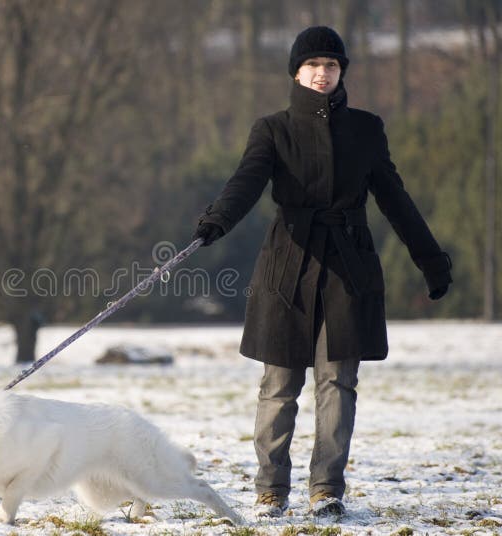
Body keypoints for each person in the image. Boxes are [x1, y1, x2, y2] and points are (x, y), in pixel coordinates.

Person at [193, 26, 452, 518]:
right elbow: (246, 182)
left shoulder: (366, 129)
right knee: (279, 384)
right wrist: (216, 221)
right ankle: (270, 489)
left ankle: (326, 489)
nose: (321, 73)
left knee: (338, 382)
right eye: (312, 64)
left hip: (348, 269)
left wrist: (431, 260)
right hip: (287, 266)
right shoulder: (272, 129)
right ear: (296, 72)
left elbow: (395, 199)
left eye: (331, 65)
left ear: (341, 72)